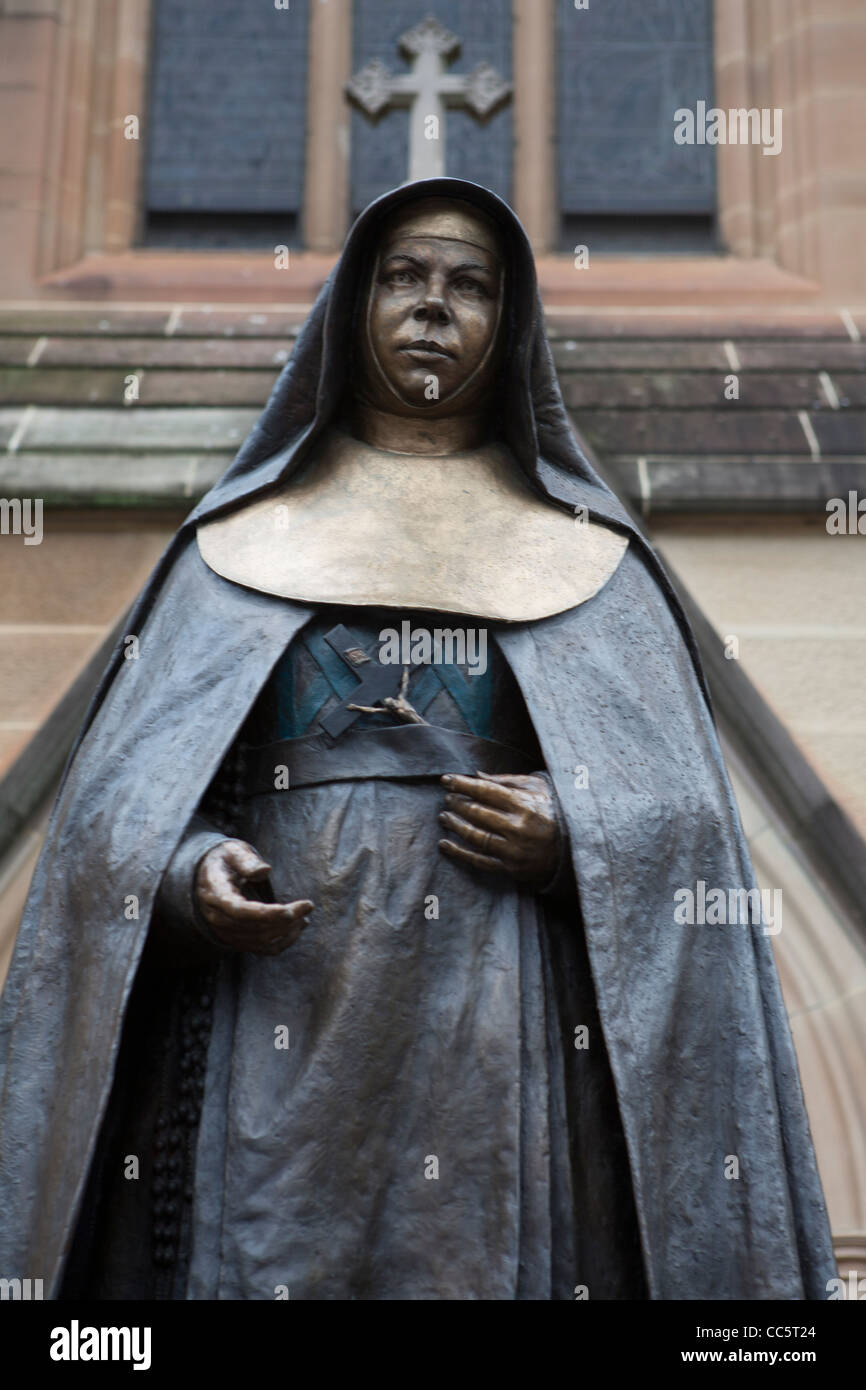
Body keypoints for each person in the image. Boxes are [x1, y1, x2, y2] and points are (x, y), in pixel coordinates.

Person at [0, 179, 835, 1301]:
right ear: (353, 305)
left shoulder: (593, 561)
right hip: (277, 1012)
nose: (431, 307)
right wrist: (188, 870)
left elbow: (685, 820)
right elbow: (113, 813)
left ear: (512, 322)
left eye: (468, 285)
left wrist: (576, 821)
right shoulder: (231, 550)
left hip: (494, 1024)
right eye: (402, 277)